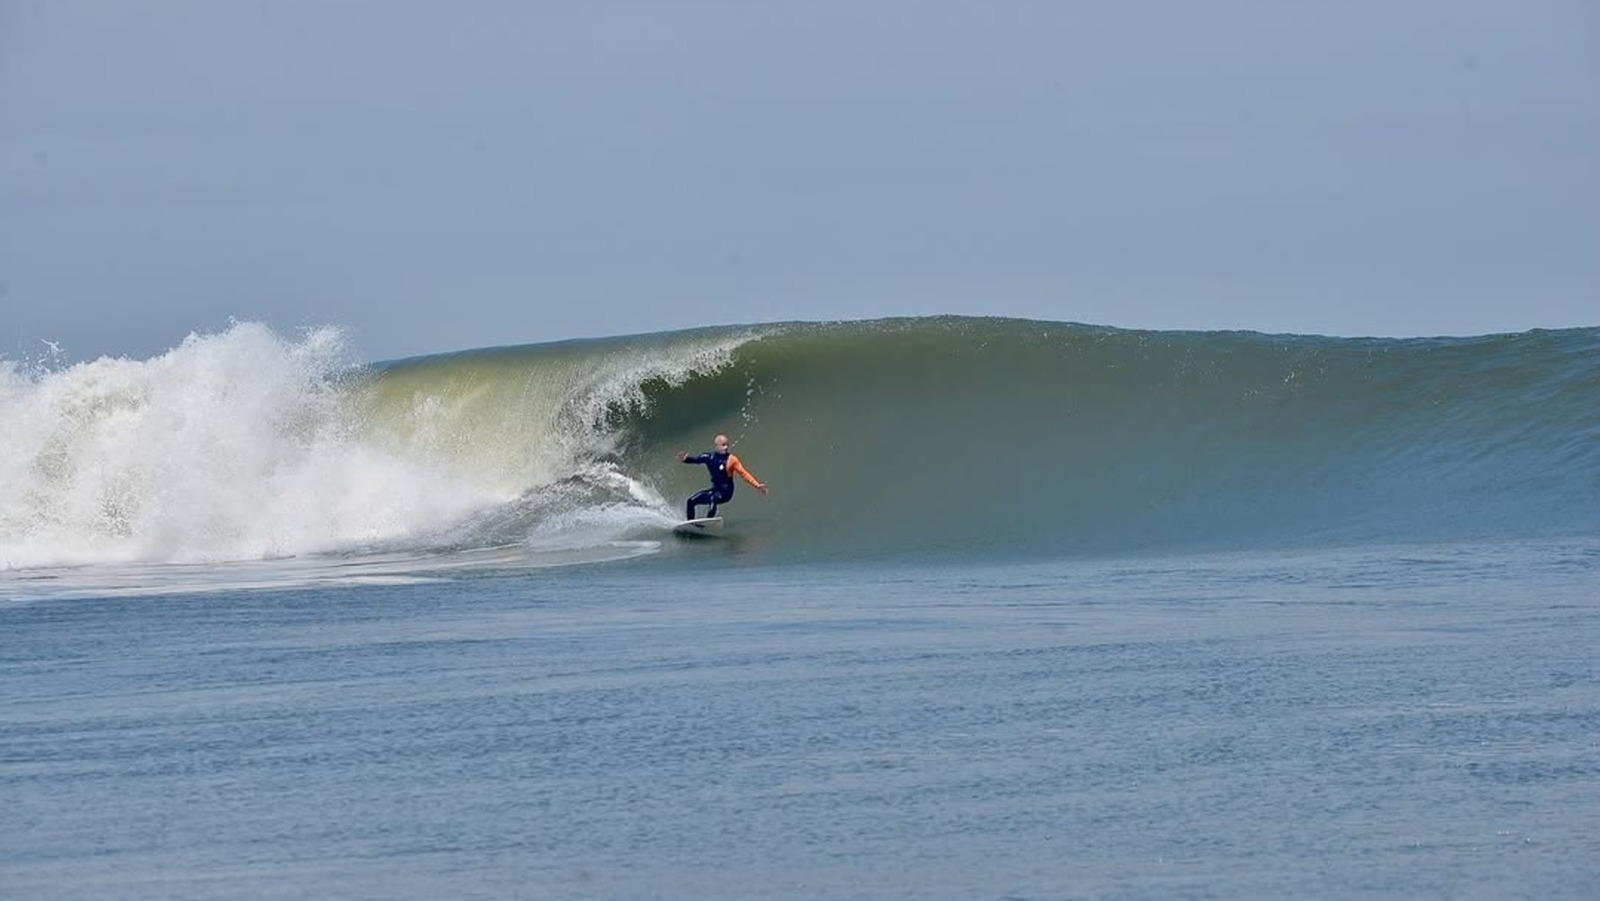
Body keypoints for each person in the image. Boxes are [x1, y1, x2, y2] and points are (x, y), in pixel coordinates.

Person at [676, 433, 768, 520]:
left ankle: (709, 524)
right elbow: (696, 460)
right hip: (715, 490)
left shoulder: (732, 459)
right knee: (691, 501)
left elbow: (744, 473)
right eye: (723, 445)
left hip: (726, 492)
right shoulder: (709, 457)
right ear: (716, 446)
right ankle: (691, 525)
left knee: (713, 498)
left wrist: (757, 485)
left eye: (727, 444)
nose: (726, 447)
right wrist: (685, 459)